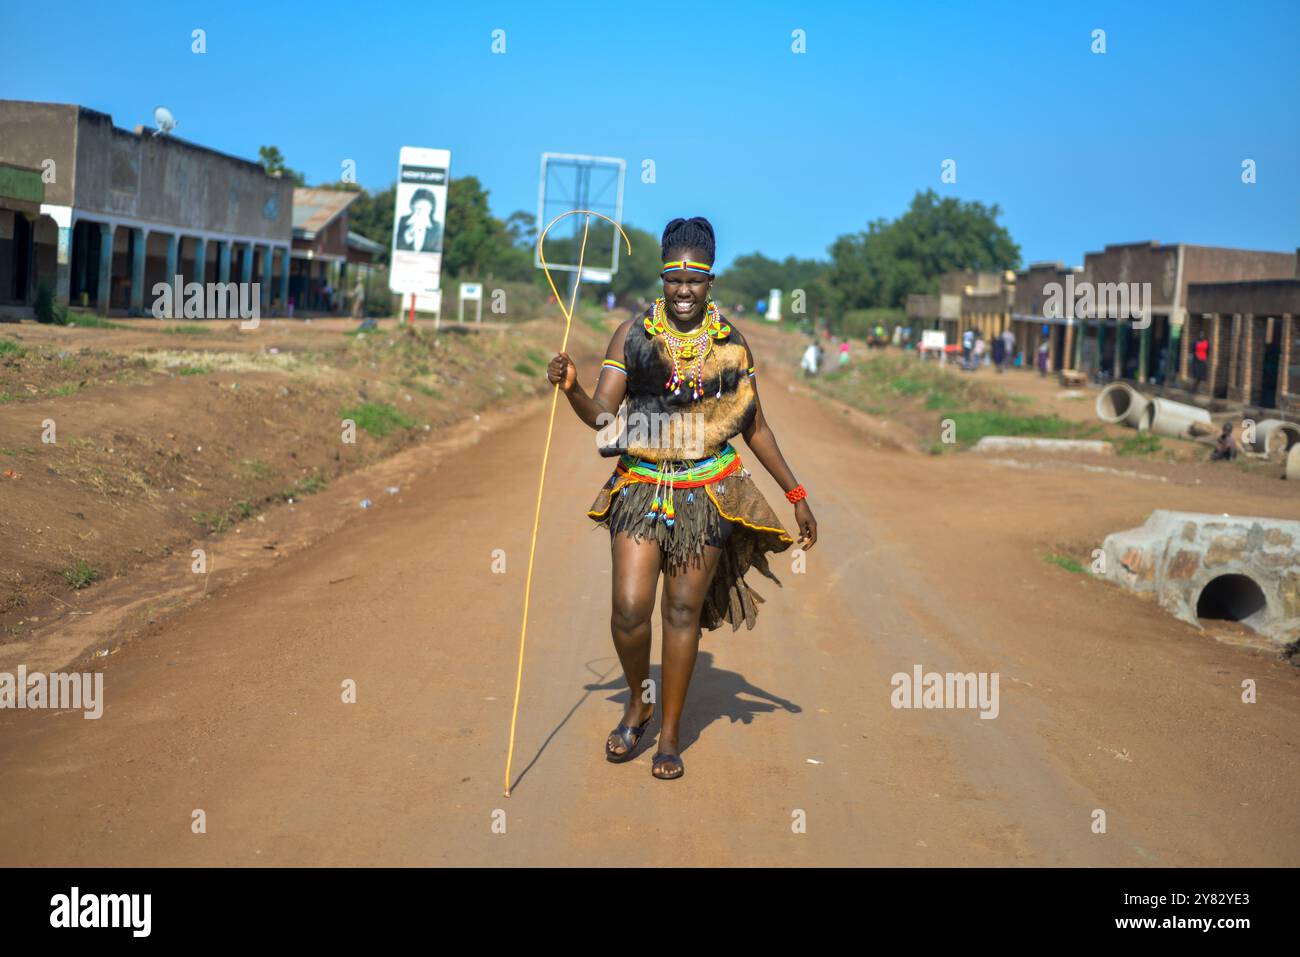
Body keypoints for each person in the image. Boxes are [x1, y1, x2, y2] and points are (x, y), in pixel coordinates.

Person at [547, 216, 817, 781]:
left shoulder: (731, 344)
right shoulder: (632, 335)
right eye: (675, 279)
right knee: (629, 609)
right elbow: (603, 417)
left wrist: (795, 493)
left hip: (708, 492)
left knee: (680, 611)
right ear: (662, 278)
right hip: (641, 484)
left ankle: (669, 735)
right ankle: (638, 701)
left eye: (695, 280)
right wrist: (572, 389)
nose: (684, 290)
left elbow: (755, 427)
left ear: (710, 280)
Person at [394, 188, 443, 253]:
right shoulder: (403, 221)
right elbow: (398, 245)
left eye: (425, 208)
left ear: (431, 209)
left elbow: (436, 249)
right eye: (418, 208)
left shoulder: (436, 226)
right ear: (412, 206)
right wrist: (409, 232)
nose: (421, 211)